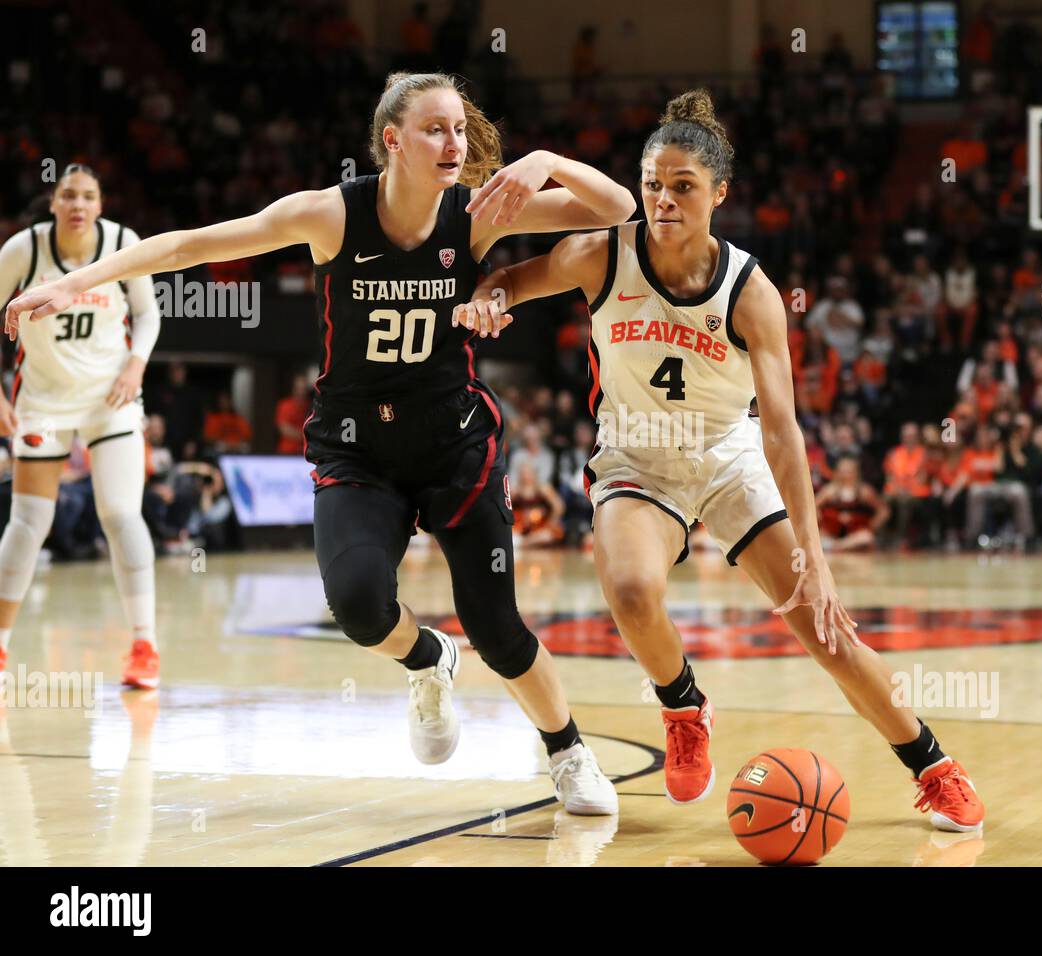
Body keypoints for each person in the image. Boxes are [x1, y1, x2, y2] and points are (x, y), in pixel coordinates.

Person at [6, 72, 637, 816]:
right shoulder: (331, 215)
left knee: (498, 627)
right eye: (435, 129)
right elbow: (193, 245)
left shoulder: (478, 213)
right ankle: (428, 659)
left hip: (454, 442)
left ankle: (567, 751)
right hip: (356, 448)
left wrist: (547, 162)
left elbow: (622, 209)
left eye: (460, 130)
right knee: (360, 604)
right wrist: (78, 284)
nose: (454, 143)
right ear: (393, 141)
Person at [454, 90, 985, 831]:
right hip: (637, 452)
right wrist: (486, 298)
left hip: (726, 454)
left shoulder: (751, 291)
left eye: (682, 186)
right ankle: (683, 706)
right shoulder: (602, 253)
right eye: (652, 184)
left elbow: (783, 431)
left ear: (719, 194)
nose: (663, 200)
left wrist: (815, 555)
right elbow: (511, 281)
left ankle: (932, 765)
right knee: (633, 591)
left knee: (827, 632)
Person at [0, 164, 161, 684]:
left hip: (109, 397)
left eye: (88, 195)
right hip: (44, 400)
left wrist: (136, 364)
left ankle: (145, 648)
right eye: (67, 194)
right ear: (53, 203)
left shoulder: (121, 242)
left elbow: (148, 314)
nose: (77, 204)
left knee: (120, 513)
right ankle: (0, 649)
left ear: (100, 203)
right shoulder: (23, 250)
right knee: (28, 523)